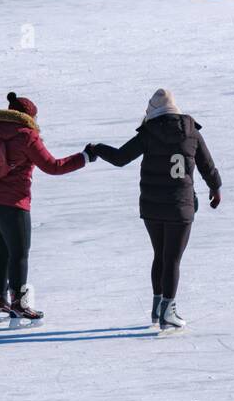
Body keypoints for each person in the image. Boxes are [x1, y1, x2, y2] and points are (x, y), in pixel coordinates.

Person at [85, 89, 222, 332]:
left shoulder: (149, 132)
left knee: (160, 254)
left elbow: (120, 158)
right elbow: (206, 165)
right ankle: (168, 312)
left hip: (152, 206)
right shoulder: (191, 131)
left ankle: (158, 307)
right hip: (180, 205)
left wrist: (96, 148)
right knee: (172, 258)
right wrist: (216, 188)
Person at [0, 92, 90, 323]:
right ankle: (18, 305)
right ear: (29, 116)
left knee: (1, 251)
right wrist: (84, 157)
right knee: (19, 254)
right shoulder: (27, 136)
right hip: (12, 205)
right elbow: (53, 167)